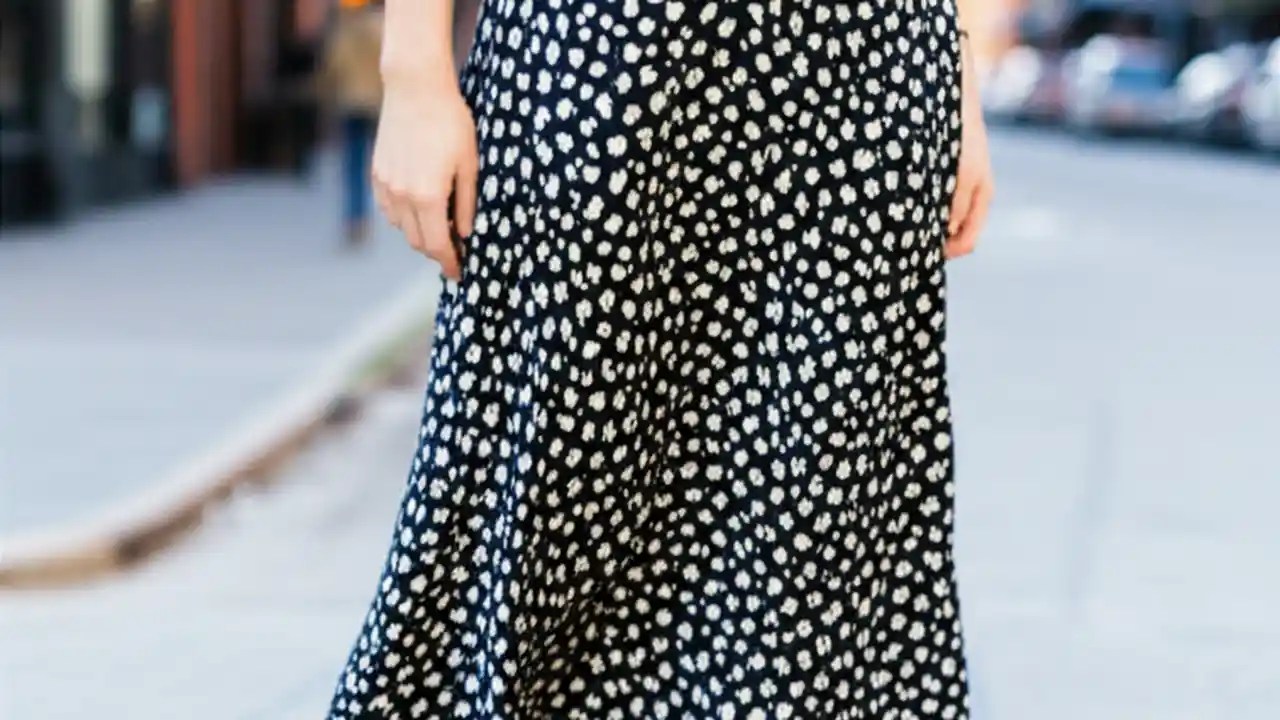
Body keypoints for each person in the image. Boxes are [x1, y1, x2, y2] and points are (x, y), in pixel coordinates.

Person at [327, 0, 994, 717]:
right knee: (541, 502)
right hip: (600, 53)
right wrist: (414, 66)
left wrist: (960, 72)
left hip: (868, 69)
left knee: (805, 543)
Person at [319, 0, 385, 245]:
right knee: (374, 162)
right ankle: (366, 215)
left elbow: (332, 66)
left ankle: (355, 217)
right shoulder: (381, 28)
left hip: (351, 104)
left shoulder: (344, 32)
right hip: (376, 105)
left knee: (353, 163)